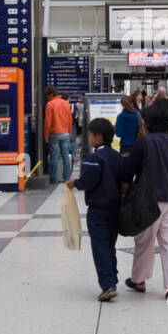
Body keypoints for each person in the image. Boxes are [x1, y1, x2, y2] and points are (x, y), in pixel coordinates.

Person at [120, 105, 168, 304]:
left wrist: (124, 193)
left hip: (148, 200)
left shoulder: (143, 143)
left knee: (144, 241)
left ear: (147, 123)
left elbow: (128, 171)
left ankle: (139, 280)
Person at [68, 118, 125, 301]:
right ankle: (113, 278)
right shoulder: (117, 156)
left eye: (91, 135)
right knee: (109, 245)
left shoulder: (94, 159)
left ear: (98, 137)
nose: (90, 138)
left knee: (100, 246)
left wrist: (75, 183)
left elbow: (88, 182)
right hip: (115, 208)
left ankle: (108, 284)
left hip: (98, 210)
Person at [44, 86, 75, 185]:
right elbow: (70, 120)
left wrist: (46, 134)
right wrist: (69, 132)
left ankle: (54, 178)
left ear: (50, 94)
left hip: (54, 134)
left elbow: (48, 122)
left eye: (47, 96)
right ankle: (67, 177)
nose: (47, 98)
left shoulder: (50, 104)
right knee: (66, 155)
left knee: (54, 157)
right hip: (65, 133)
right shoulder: (66, 103)